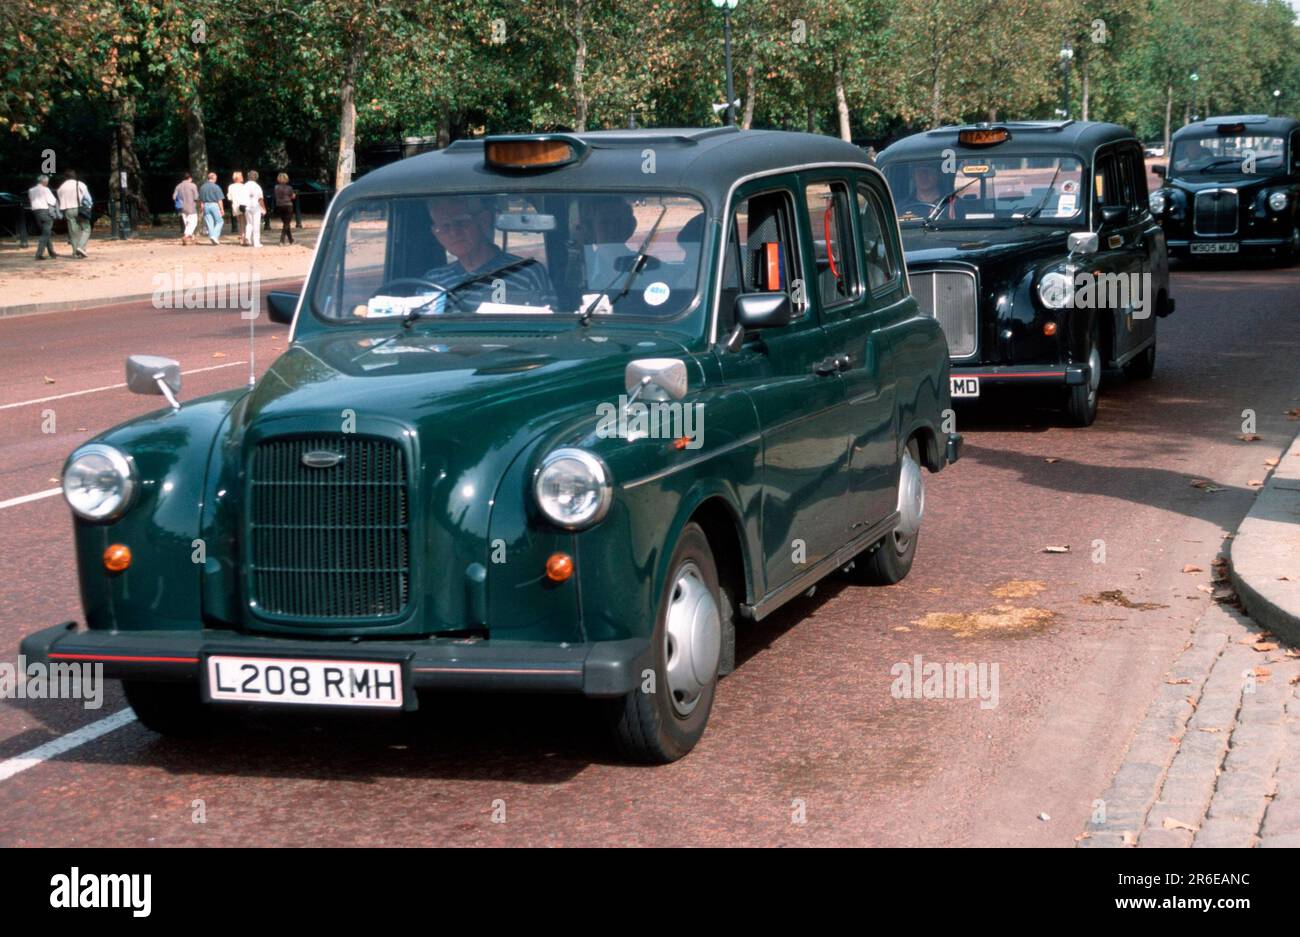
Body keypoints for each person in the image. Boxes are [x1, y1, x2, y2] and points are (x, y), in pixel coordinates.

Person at [422, 196, 556, 311]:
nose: (453, 233)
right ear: (435, 233)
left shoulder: (527, 272)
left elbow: (550, 330)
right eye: (444, 227)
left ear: (483, 221)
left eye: (461, 223)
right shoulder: (433, 280)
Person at [55, 170, 91, 258]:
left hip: (67, 210)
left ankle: (75, 253)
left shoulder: (61, 188)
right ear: (74, 176)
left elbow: (59, 200)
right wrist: (89, 206)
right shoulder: (80, 184)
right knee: (86, 228)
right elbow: (87, 198)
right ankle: (81, 247)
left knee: (73, 232)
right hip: (79, 208)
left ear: (65, 177)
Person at [27, 174, 60, 260]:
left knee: (46, 232)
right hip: (44, 212)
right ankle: (39, 254)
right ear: (44, 182)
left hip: (35, 212)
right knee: (45, 234)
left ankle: (52, 252)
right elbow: (52, 201)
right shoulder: (45, 189)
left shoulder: (31, 190)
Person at [172, 172, 199, 245]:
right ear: (190, 178)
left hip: (181, 208)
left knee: (187, 223)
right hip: (191, 207)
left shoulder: (178, 186)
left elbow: (174, 197)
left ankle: (193, 238)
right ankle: (186, 236)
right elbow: (196, 197)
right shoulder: (192, 185)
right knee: (193, 222)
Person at [199, 172, 224, 244]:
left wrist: (202, 208)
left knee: (210, 223)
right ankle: (215, 236)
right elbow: (219, 199)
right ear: (214, 178)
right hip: (214, 205)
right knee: (220, 221)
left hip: (206, 205)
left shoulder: (202, 187)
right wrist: (221, 209)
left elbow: (201, 200)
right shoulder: (216, 187)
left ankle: (212, 238)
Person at [243, 170, 265, 247]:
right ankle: (256, 242)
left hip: (246, 206)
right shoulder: (257, 186)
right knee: (256, 224)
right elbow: (260, 199)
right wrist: (264, 208)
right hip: (255, 206)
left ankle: (247, 237)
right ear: (256, 177)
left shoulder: (244, 185)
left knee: (249, 223)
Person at [274, 172, 296, 245]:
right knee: (286, 224)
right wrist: (293, 195)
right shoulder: (289, 187)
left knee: (286, 223)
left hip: (279, 205)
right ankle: (281, 240)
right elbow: (292, 196)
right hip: (288, 205)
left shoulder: (276, 187)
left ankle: (291, 240)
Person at [227, 171, 247, 245]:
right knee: (244, 222)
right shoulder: (243, 186)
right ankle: (243, 237)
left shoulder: (231, 186)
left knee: (240, 222)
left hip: (235, 205)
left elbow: (229, 198)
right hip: (243, 205)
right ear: (239, 178)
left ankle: (242, 236)